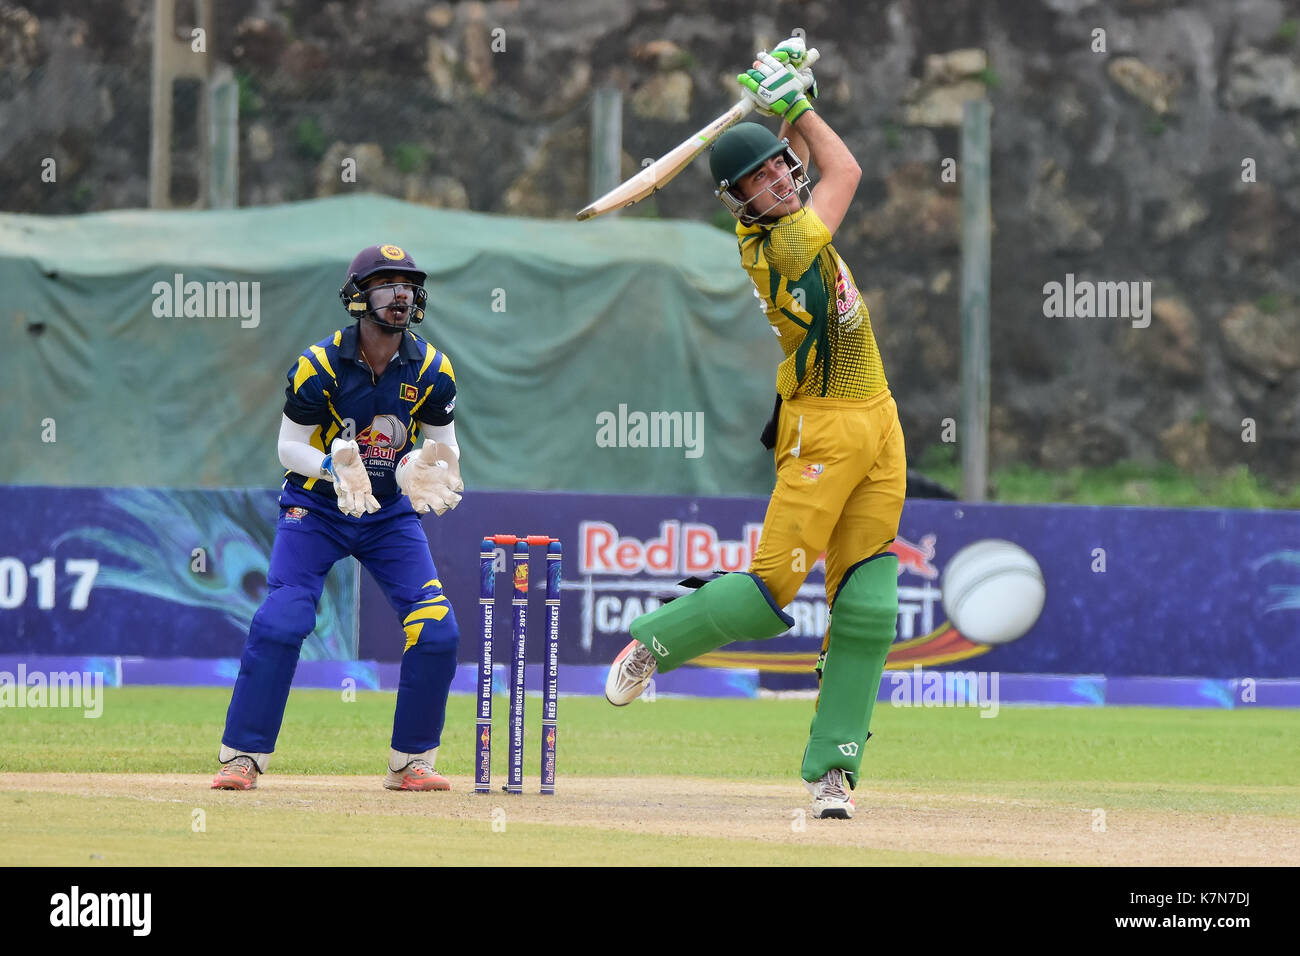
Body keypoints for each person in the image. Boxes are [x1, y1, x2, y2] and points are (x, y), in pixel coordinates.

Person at [605, 40, 906, 820]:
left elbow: (812, 161)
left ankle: (832, 774)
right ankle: (656, 642)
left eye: (780, 166)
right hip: (823, 431)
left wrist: (789, 105)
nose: (779, 178)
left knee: (870, 602)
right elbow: (847, 171)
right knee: (775, 585)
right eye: (760, 179)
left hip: (878, 417)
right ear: (741, 202)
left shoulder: (789, 207)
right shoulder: (784, 245)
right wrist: (798, 106)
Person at [212, 243, 467, 791]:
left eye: (407, 285)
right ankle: (242, 757)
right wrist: (331, 467)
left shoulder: (432, 368)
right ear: (357, 296)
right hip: (317, 505)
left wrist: (419, 469)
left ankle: (412, 761)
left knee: (438, 629)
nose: (400, 295)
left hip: (388, 513)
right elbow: (287, 446)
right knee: (283, 619)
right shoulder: (319, 364)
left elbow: (444, 449)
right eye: (386, 283)